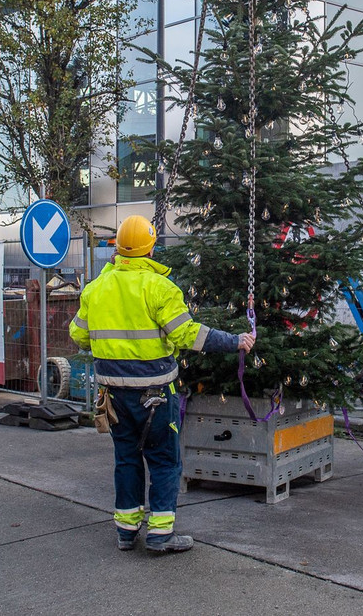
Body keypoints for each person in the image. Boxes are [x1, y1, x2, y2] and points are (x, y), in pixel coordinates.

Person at [70, 215, 254, 554]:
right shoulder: (160, 288)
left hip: (112, 395)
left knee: (126, 459)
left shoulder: (95, 289)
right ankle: (160, 534)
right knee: (165, 461)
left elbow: (78, 335)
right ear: (151, 248)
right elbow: (187, 334)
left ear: (117, 249)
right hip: (155, 394)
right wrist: (234, 341)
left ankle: (126, 532)